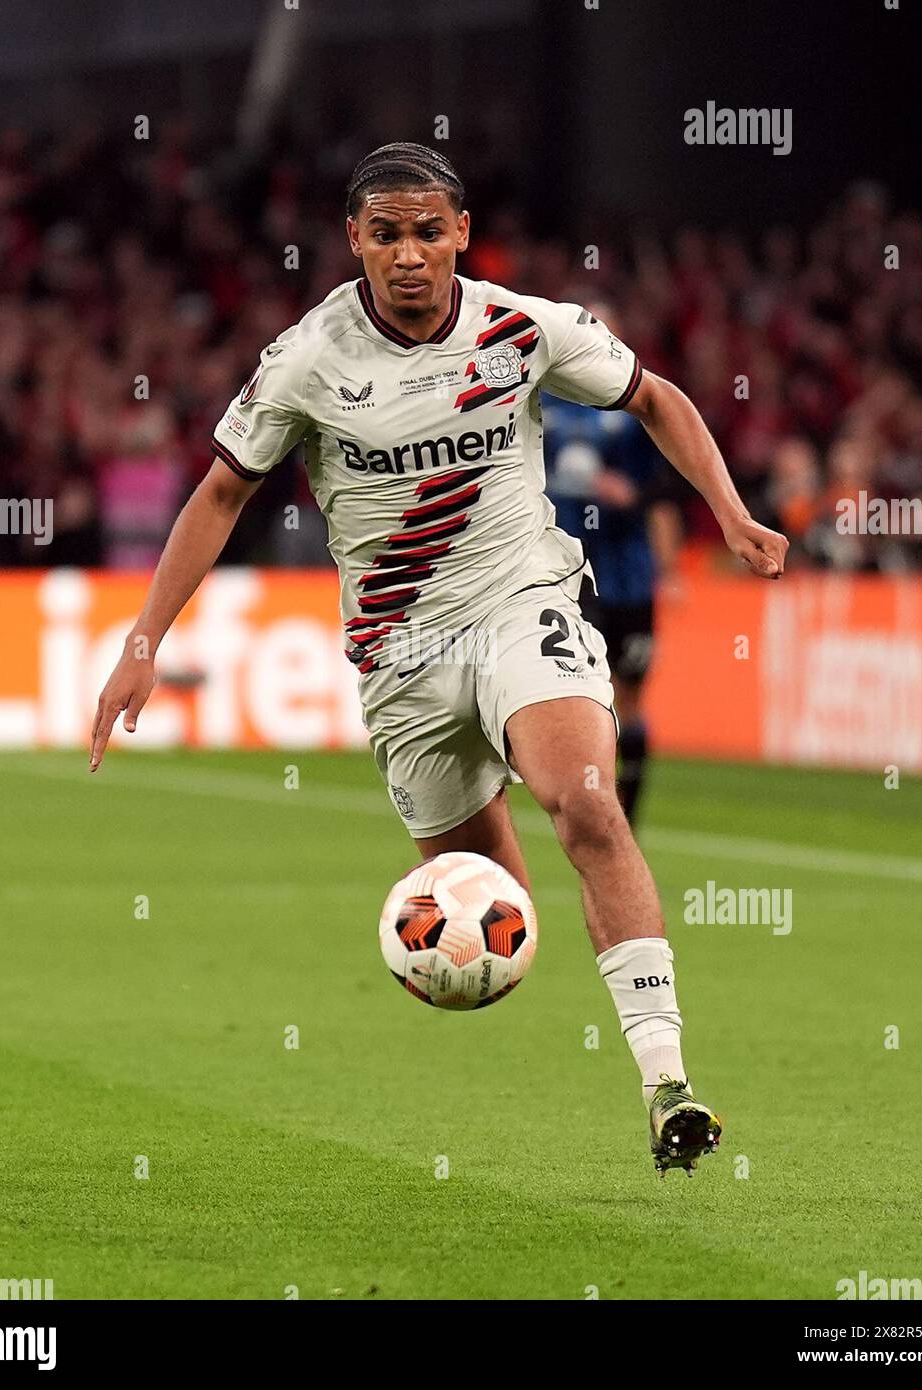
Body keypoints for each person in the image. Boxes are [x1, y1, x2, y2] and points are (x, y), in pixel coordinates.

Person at [90, 143, 788, 1176]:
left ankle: (667, 1081)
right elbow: (221, 495)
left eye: (428, 231)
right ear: (354, 242)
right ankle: (508, 941)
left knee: (587, 803)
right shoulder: (308, 358)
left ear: (461, 232)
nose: (409, 255)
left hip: (521, 599)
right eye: (386, 235)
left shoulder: (523, 326)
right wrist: (144, 642)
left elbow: (656, 397)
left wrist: (730, 514)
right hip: (399, 651)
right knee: (488, 894)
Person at [543, 332, 682, 823]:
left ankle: (627, 820)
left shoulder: (634, 410)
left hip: (631, 577)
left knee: (632, 695)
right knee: (581, 694)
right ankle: (587, 805)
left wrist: (670, 569)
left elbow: (661, 492)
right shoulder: (539, 400)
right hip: (568, 576)